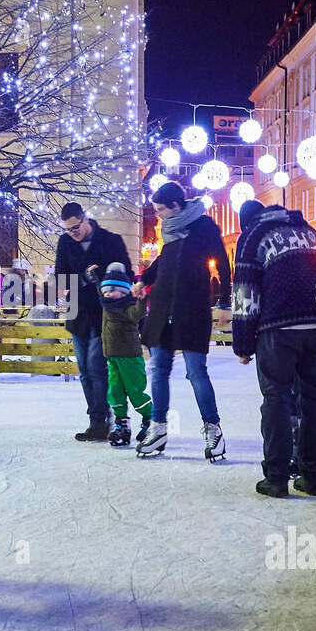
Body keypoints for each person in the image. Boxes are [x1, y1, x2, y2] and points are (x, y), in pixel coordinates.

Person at [232, 198, 316, 497]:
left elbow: (245, 293)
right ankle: (312, 475)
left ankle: (277, 477)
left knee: (276, 398)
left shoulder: (253, 235)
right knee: (315, 398)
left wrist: (242, 343)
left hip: (279, 329)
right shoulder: (309, 231)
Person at [132, 182, 231, 459]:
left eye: (161, 209)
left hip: (192, 308)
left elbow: (223, 263)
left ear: (175, 206)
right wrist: (144, 281)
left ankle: (214, 430)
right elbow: (165, 260)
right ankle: (159, 428)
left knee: (196, 371)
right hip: (163, 308)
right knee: (159, 369)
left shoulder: (204, 226)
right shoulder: (171, 229)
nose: (159, 214)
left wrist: (224, 302)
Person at [54, 202, 133, 440]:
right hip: (78, 314)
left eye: (76, 227)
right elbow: (61, 278)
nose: (73, 233)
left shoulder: (111, 241)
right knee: (85, 371)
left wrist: (107, 278)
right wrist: (85, 278)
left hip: (105, 315)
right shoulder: (65, 243)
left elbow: (126, 275)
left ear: (86, 219)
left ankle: (102, 420)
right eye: (68, 229)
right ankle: (95, 419)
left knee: (96, 367)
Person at [97, 262, 152, 447]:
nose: (108, 294)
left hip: (130, 357)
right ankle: (122, 425)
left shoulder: (127, 306)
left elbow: (138, 313)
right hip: (112, 357)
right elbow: (100, 287)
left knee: (135, 392)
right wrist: (95, 277)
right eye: (106, 291)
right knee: (115, 392)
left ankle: (151, 419)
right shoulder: (106, 304)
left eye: (112, 290)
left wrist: (142, 299)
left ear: (122, 291)